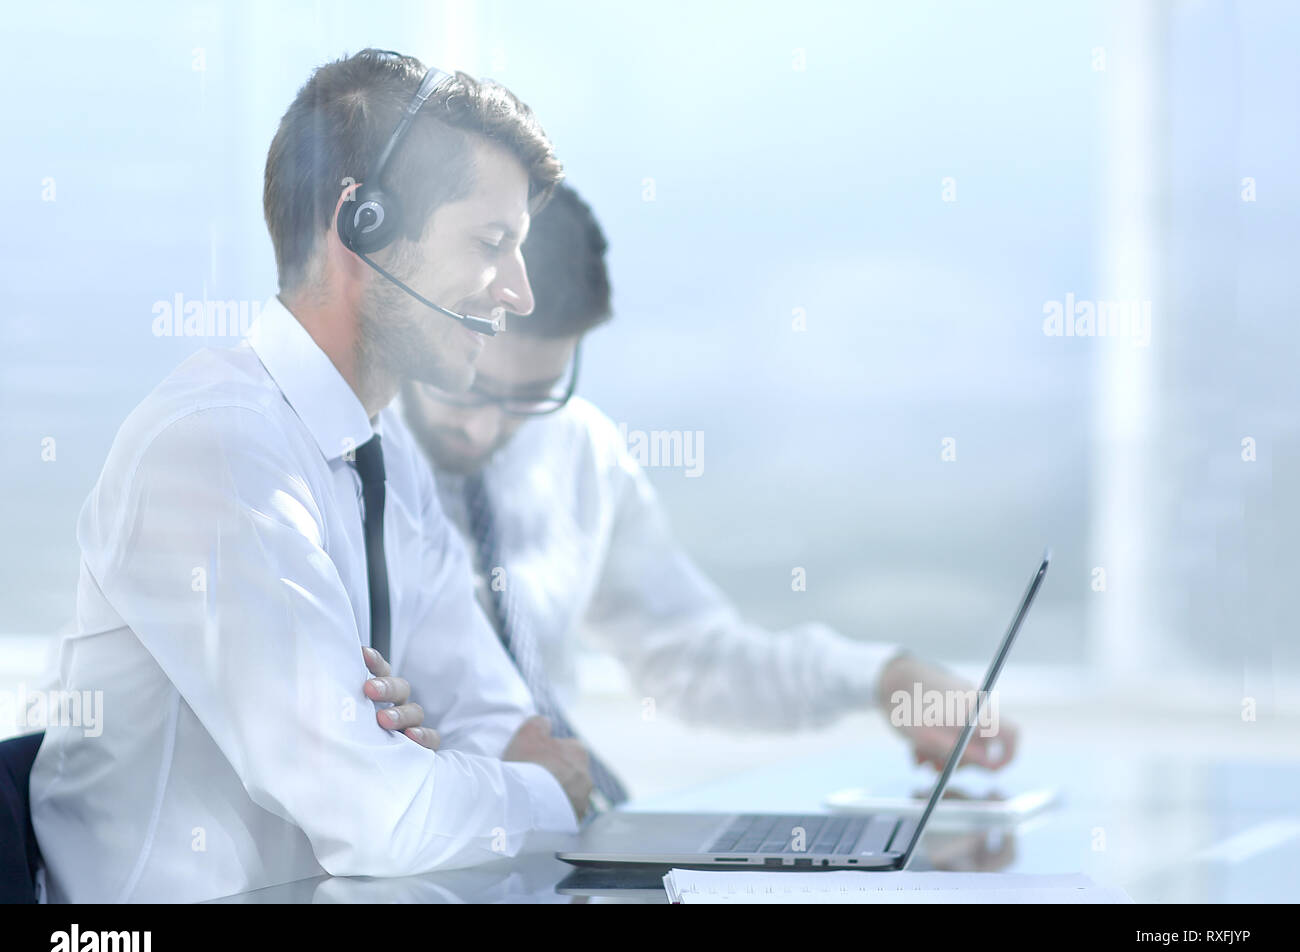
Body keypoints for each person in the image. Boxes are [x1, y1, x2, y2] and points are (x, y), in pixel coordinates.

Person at [30, 49, 592, 904]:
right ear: (361, 225)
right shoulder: (217, 447)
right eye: (492, 244)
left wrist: (434, 772)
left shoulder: (385, 455)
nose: (518, 292)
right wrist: (542, 793)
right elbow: (380, 820)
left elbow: (496, 720)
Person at [399, 183, 1020, 803]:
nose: (485, 428)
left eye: (530, 396)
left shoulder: (578, 448)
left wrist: (886, 678)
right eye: (468, 388)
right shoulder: (346, 452)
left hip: (551, 854)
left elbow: (692, 657)